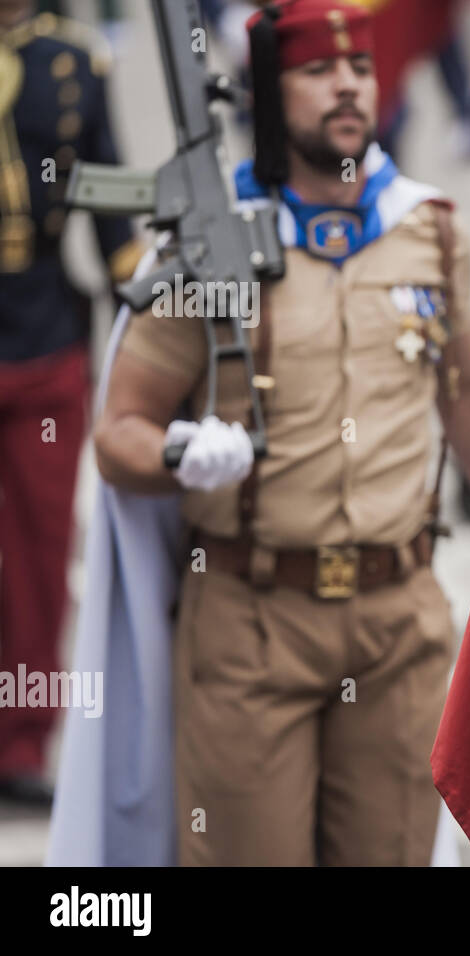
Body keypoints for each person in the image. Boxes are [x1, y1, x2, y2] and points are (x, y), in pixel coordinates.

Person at [87, 0, 470, 865]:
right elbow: (118, 430)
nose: (347, 86)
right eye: (316, 71)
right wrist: (177, 454)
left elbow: (469, 392)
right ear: (271, 95)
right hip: (251, 625)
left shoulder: (431, 229)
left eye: (359, 69)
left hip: (399, 625)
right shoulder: (207, 242)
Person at [0, 0, 138, 805]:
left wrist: (158, 315)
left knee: (41, 554)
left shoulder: (76, 60)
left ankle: (20, 741)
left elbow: (112, 198)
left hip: (46, 335)